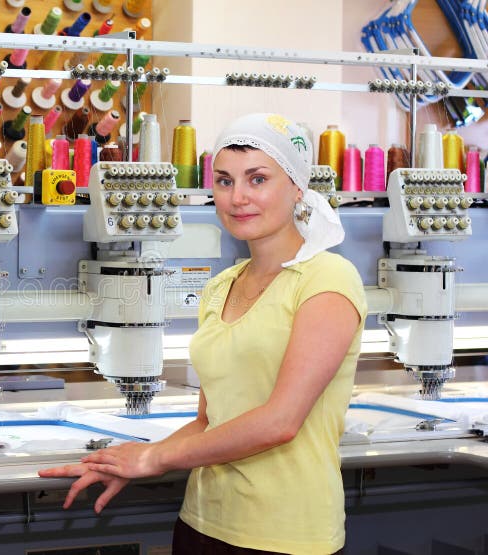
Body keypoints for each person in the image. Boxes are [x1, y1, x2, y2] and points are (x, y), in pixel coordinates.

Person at [39, 113, 367, 555]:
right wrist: (130, 462)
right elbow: (208, 422)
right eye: (224, 180)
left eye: (257, 179)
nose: (238, 198)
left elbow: (281, 421)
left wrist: (153, 458)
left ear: (296, 187)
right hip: (202, 524)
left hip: (288, 535)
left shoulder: (329, 278)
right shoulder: (221, 285)